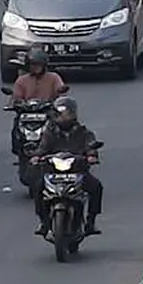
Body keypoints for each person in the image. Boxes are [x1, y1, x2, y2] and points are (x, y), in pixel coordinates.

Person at [32, 96, 104, 234]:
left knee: (96, 187)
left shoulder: (84, 132)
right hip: (53, 173)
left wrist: (91, 156)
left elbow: (90, 146)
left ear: (73, 114)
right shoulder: (50, 133)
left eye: (65, 114)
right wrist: (36, 156)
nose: (61, 118)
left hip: (77, 171)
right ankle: (43, 222)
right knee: (37, 187)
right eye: (58, 115)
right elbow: (43, 148)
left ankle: (91, 221)